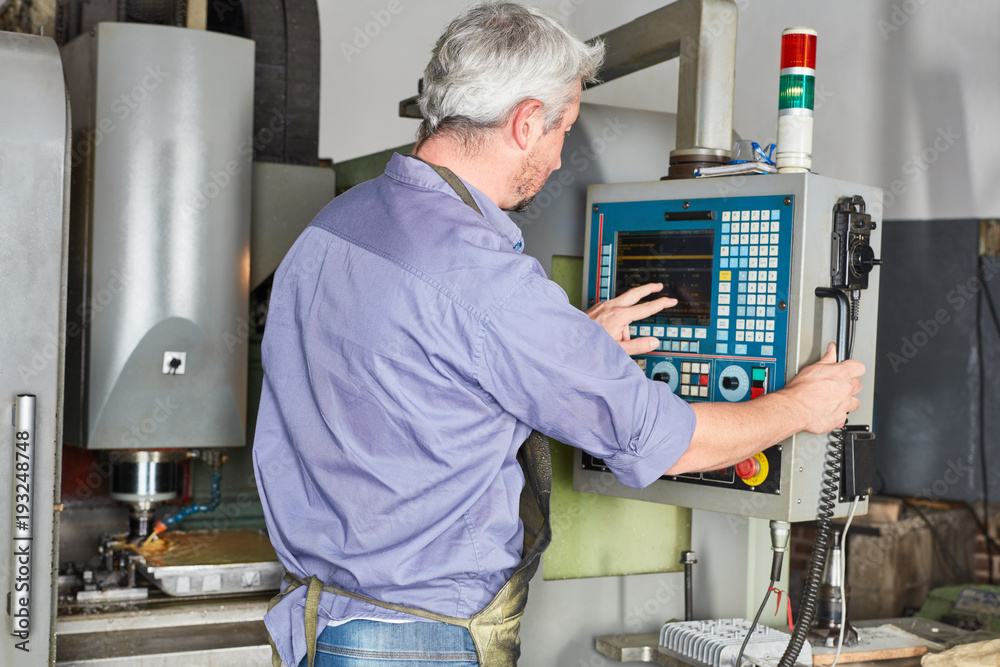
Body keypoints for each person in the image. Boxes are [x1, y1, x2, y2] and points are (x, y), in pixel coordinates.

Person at [253, 3, 865, 666]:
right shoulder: (488, 281)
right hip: (417, 639)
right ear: (524, 123)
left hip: (319, 622)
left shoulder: (330, 229)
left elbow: (415, 372)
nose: (559, 154)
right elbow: (663, 439)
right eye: (563, 128)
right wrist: (801, 406)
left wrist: (571, 342)